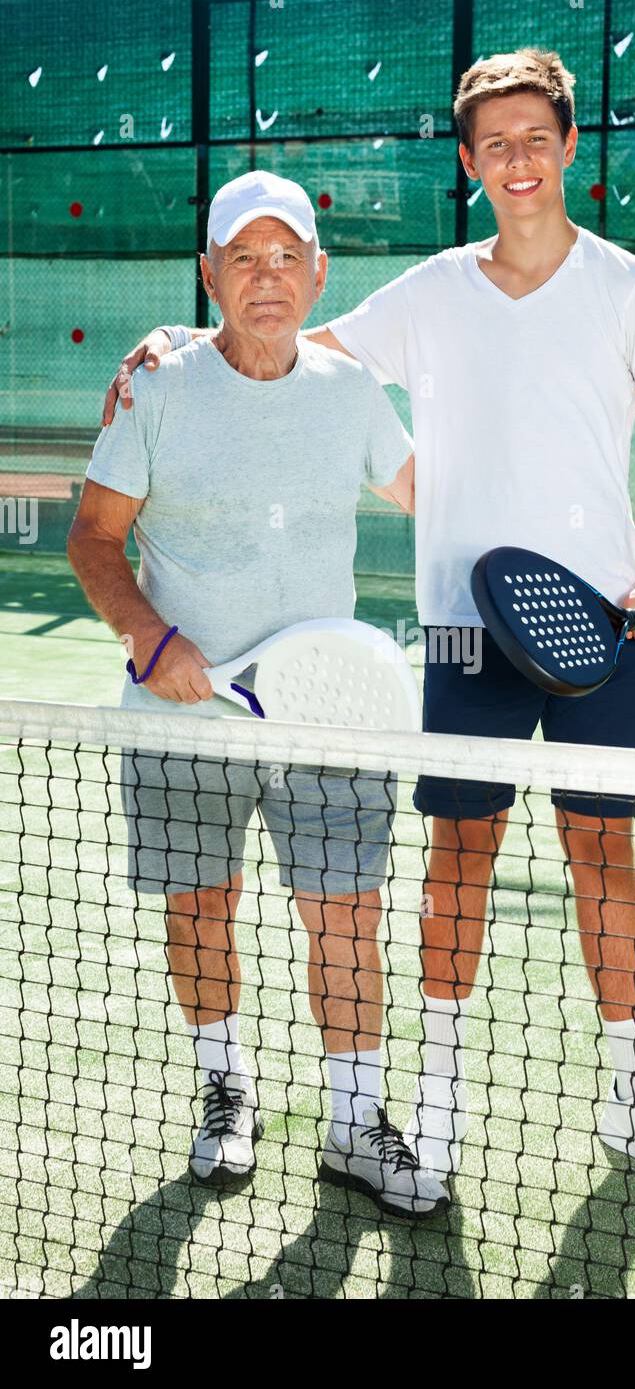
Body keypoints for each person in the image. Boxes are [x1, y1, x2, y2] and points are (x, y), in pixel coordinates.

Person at [101, 50, 635, 1193]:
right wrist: (177, 349)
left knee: (606, 857)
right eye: (496, 144)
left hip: (603, 627)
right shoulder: (430, 291)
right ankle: (431, 1103)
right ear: (471, 161)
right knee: (457, 861)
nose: (518, 160)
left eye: (537, 138)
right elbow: (289, 348)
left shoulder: (629, 286)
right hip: (463, 629)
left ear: (570, 146)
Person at [70, 169, 448, 1219]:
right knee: (202, 907)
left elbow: (437, 498)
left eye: (288, 257)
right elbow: (95, 538)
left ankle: (356, 1122)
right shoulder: (158, 386)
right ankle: (226, 1088)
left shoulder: (352, 393)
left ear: (319, 274)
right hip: (180, 722)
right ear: (210, 275)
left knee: (346, 917)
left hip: (329, 715)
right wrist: (148, 636)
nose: (268, 278)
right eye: (245, 257)